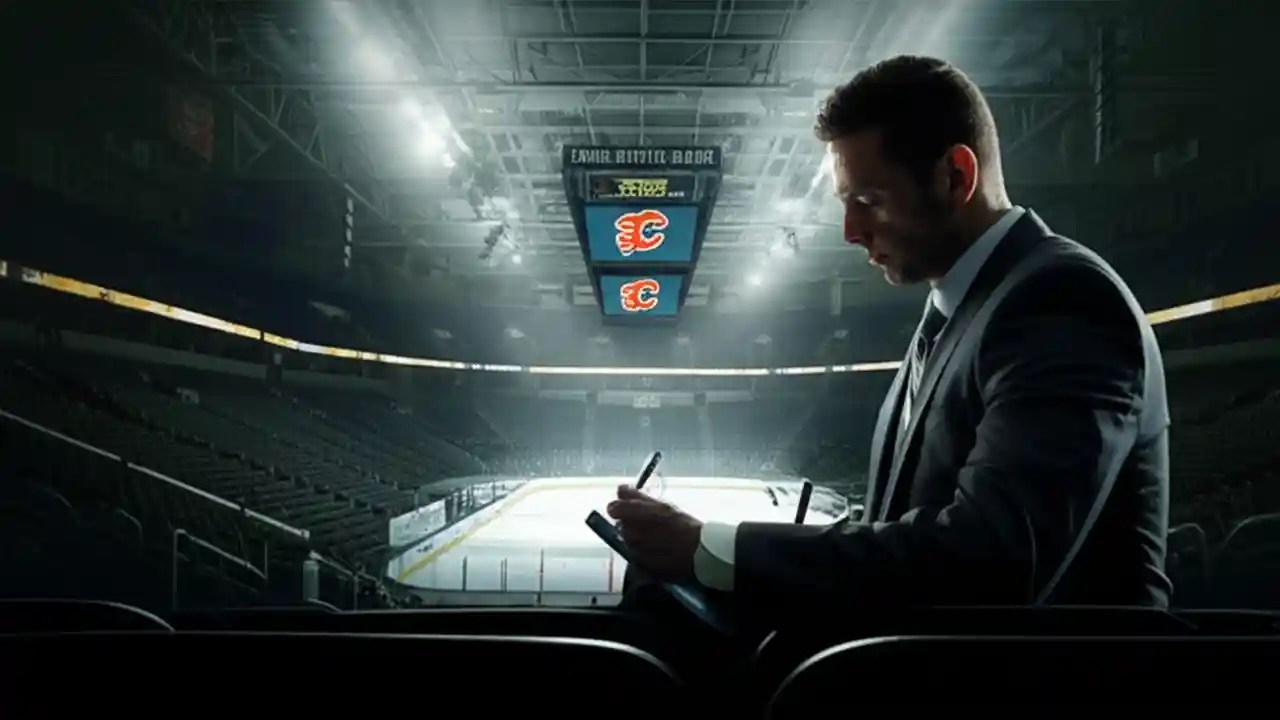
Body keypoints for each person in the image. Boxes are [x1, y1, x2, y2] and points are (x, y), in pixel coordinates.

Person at [607, 55, 1174, 620]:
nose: (850, 232)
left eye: (868, 202)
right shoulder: (962, 309)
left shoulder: (1061, 300)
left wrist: (714, 548)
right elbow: (900, 532)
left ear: (956, 177)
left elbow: (993, 560)